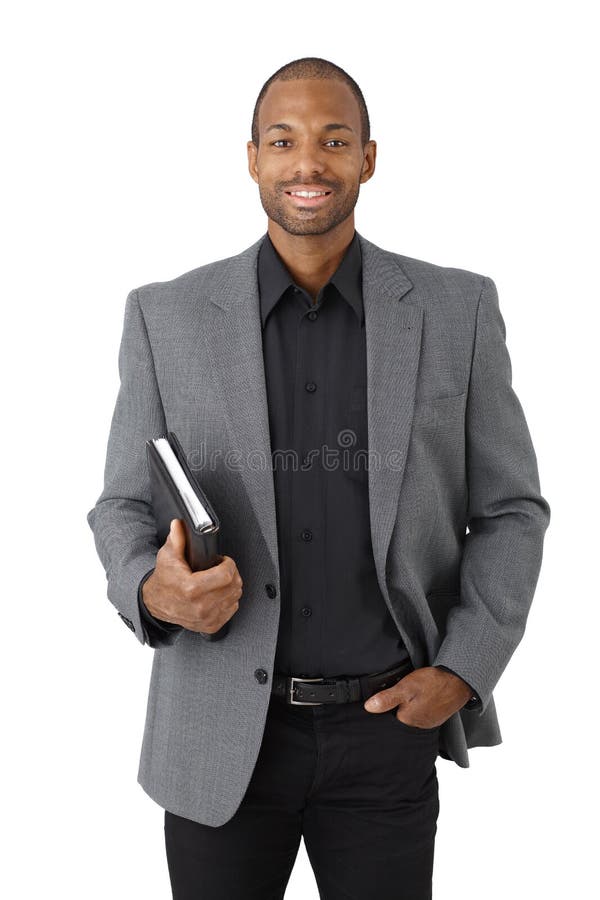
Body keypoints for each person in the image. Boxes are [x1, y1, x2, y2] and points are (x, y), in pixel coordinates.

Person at [86, 56, 551, 900]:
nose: (309, 164)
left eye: (335, 141)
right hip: (218, 731)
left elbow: (513, 508)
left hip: (387, 730)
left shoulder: (457, 310)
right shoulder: (166, 316)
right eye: (284, 141)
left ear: (368, 158)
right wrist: (152, 594)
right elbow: (121, 503)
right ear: (254, 158)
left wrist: (466, 665)